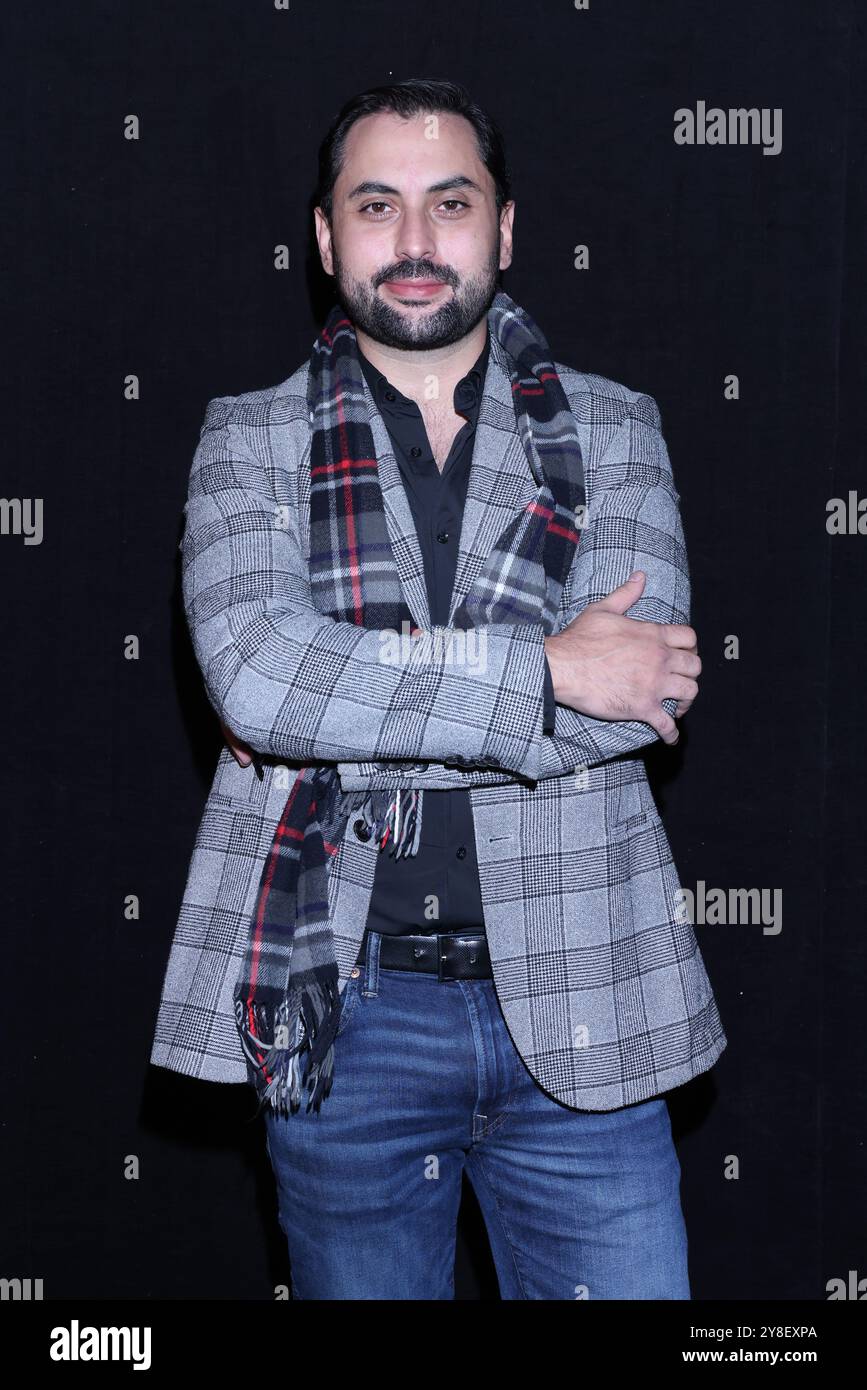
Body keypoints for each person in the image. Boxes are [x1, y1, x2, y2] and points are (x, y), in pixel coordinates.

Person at [150, 78, 726, 1300]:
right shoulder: (246, 438)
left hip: (588, 1004)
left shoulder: (617, 431)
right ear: (324, 238)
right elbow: (256, 678)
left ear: (505, 229)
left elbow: (639, 687)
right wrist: (546, 667)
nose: (415, 244)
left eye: (449, 204)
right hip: (339, 1014)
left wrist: (337, 698)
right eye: (377, 206)